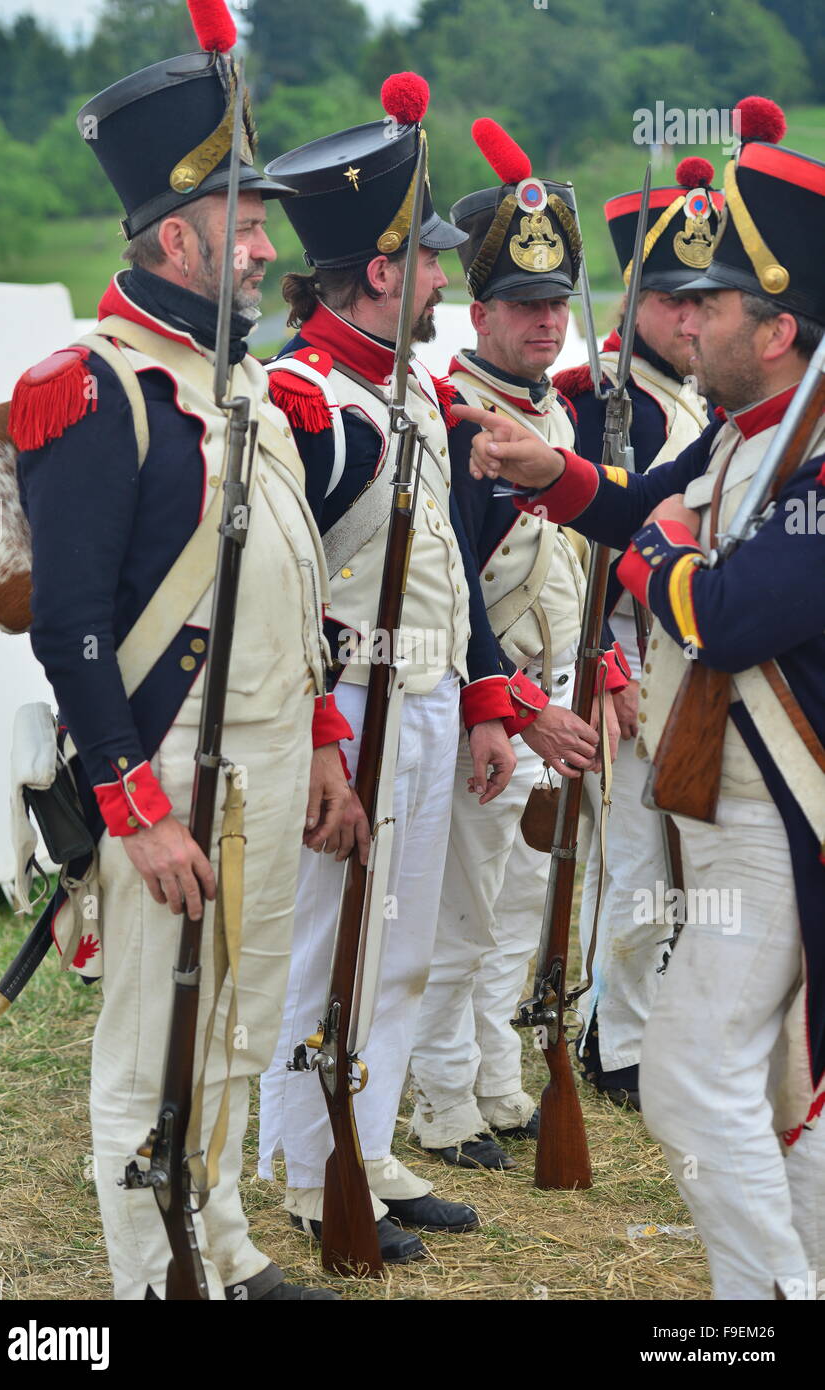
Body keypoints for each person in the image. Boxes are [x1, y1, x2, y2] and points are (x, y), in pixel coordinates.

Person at [457, 96, 825, 1299]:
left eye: (709, 302)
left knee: (697, 1076)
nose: (683, 318)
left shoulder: (809, 449)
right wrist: (544, 469)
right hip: (738, 800)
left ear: (772, 329)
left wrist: (661, 565)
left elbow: (730, 612)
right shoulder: (745, 430)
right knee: (768, 1080)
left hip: (788, 804)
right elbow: (636, 504)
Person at [10, 9, 351, 1301]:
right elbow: (71, 622)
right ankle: (152, 1279)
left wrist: (318, 740)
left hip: (268, 757)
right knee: (152, 1042)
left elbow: (288, 592)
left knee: (235, 1028)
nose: (267, 248)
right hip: (164, 766)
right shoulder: (94, 389)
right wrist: (132, 809)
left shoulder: (243, 390)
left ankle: (220, 1242)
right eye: (246, 225)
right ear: (175, 235)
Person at [256, 75, 532, 1264]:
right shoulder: (304, 401)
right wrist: (320, 730)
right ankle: (312, 1170)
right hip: (347, 703)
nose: (441, 278)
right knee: (330, 941)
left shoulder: (415, 386)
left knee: (404, 938)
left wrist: (479, 695)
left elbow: (455, 567)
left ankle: (370, 1144)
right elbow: (275, 592)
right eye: (425, 259)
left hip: (422, 700)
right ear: (378, 270)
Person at [407, 118, 624, 1170]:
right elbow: (453, 585)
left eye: (556, 306)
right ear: (479, 310)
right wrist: (509, 698)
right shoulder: (456, 416)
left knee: (522, 900)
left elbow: (581, 565)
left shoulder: (558, 423)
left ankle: (495, 1078)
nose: (548, 326)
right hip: (480, 697)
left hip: (553, 696)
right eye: (527, 308)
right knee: (460, 906)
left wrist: (601, 671)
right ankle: (442, 1098)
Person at [551, 158, 723, 1107]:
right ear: (634, 298)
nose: (689, 321)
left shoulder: (698, 399)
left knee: (678, 868)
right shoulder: (593, 397)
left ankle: (653, 1029)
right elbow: (576, 544)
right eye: (671, 301)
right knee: (629, 867)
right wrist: (610, 668)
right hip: (620, 667)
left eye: (702, 300)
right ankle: (614, 1045)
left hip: (686, 661)